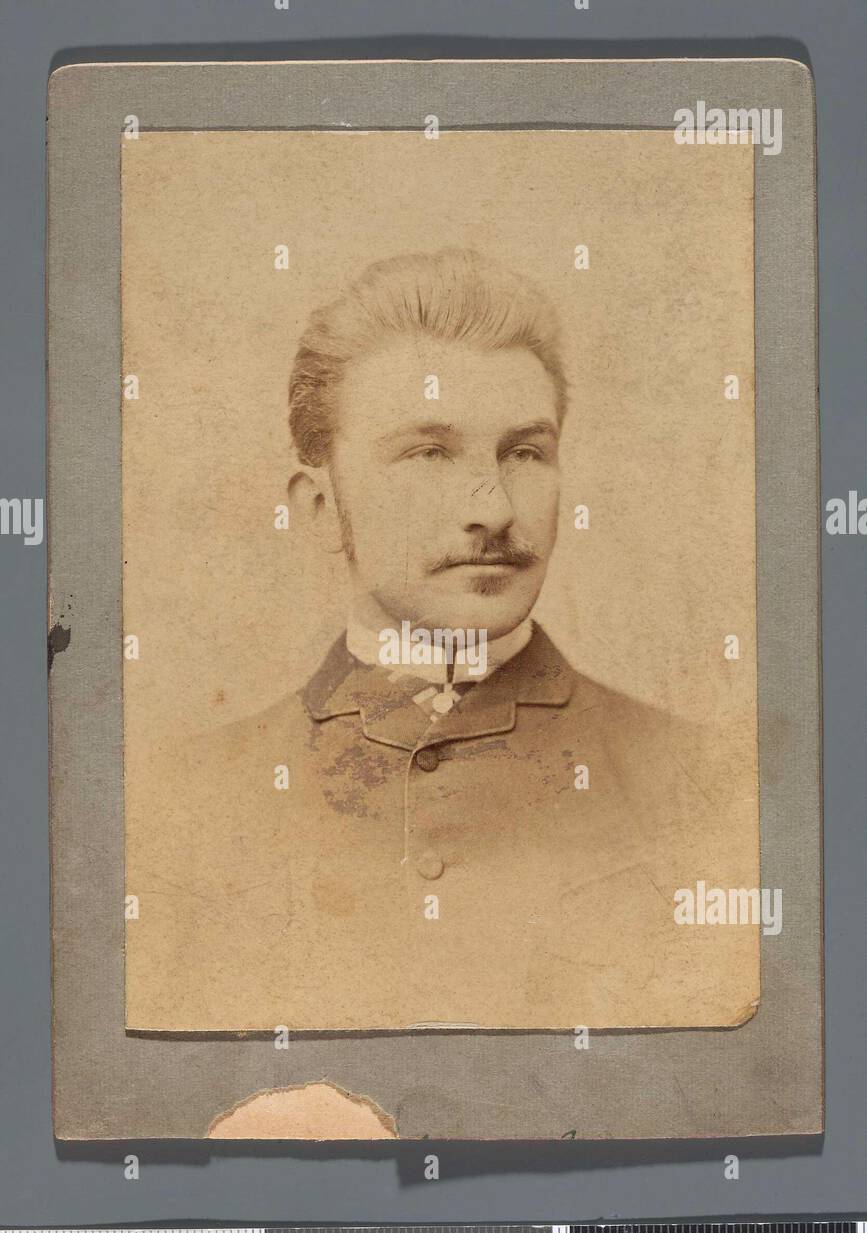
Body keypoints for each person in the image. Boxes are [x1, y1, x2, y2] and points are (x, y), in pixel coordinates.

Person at [127, 248, 758, 1037]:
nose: (492, 508)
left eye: (524, 453)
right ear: (320, 506)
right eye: (428, 454)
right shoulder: (174, 809)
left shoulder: (705, 789)